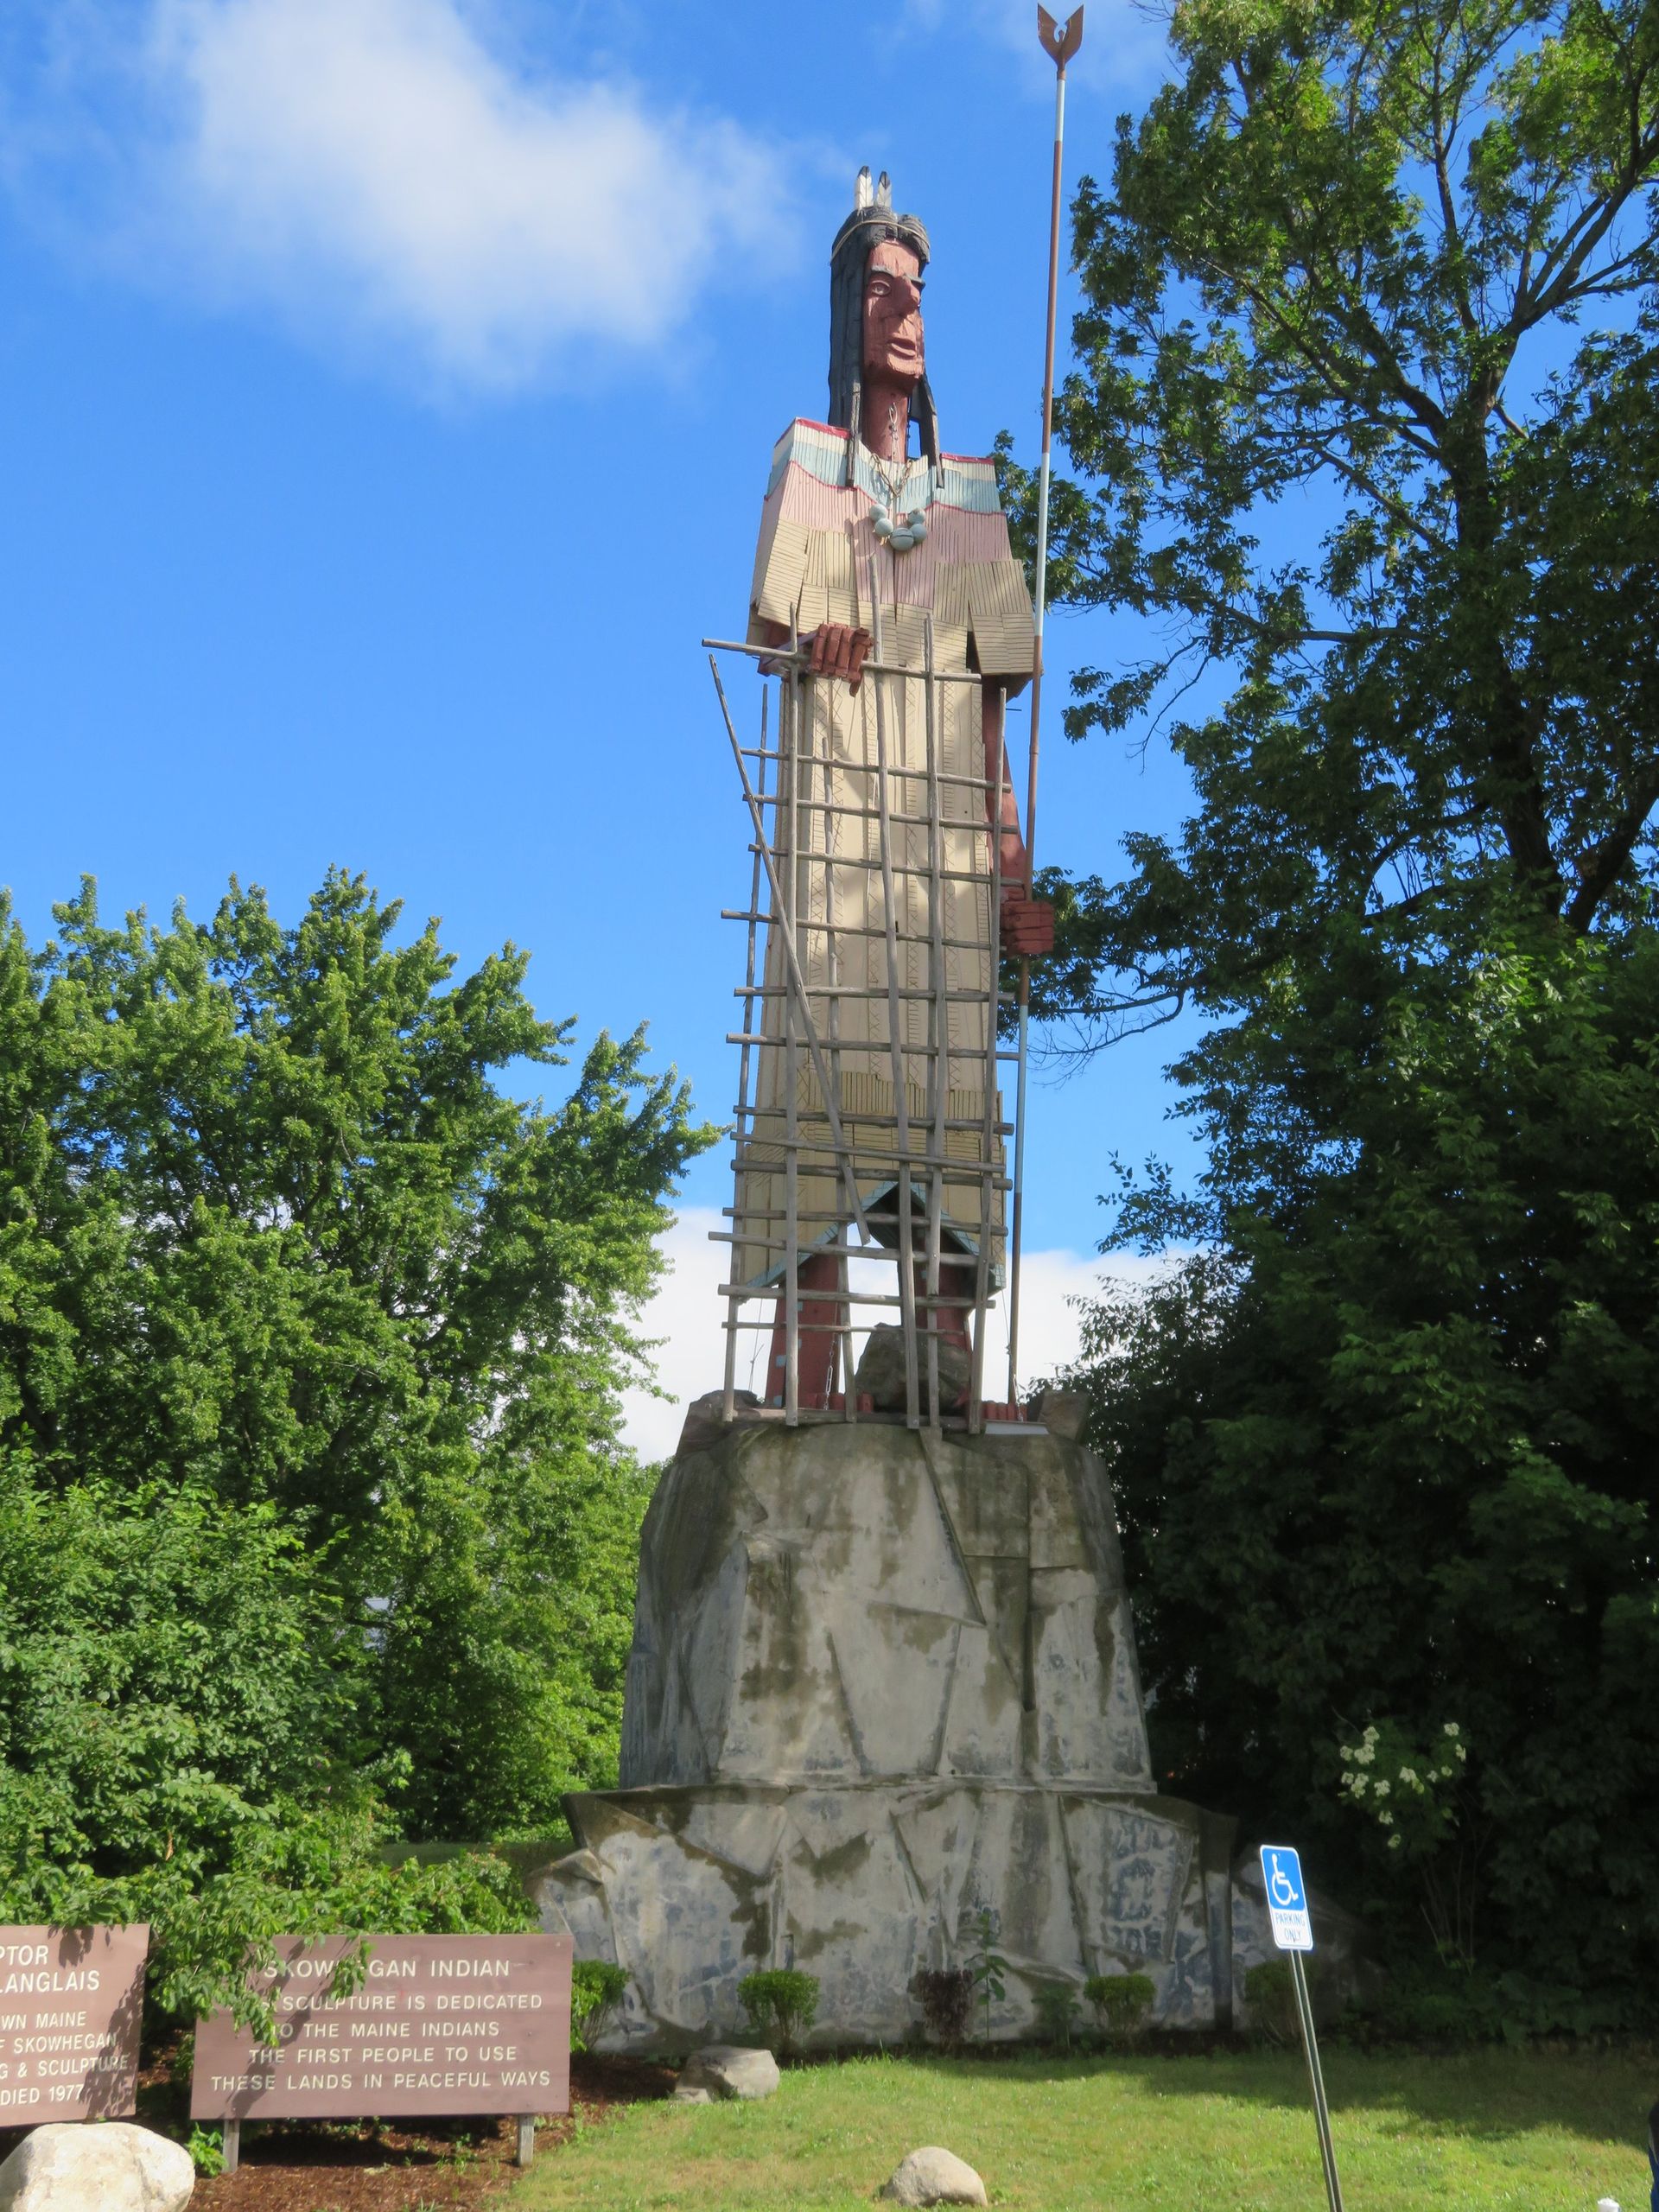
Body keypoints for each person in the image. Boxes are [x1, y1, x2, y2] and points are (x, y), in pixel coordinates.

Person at [735, 170, 1053, 1409]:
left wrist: (1015, 873)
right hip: (835, 837)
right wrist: (811, 645)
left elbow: (992, 710)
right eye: (880, 291)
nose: (905, 315)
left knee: (952, 1096)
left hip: (943, 857)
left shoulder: (971, 499)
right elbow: (772, 632)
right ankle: (803, 1380)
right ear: (845, 312)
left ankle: (945, 1371)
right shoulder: (811, 466)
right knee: (821, 1081)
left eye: (917, 294)